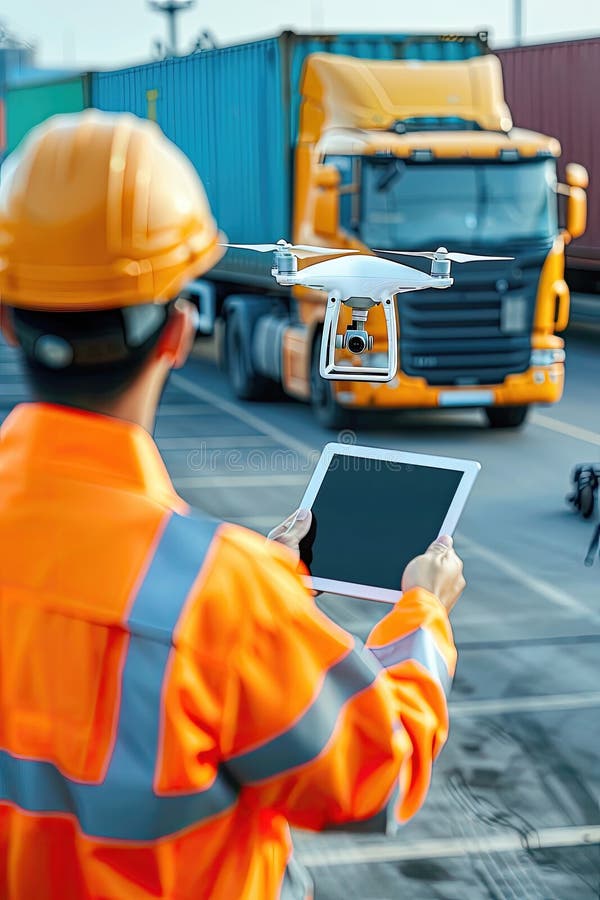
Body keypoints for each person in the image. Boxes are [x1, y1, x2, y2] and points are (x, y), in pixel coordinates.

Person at [0, 111, 465, 900]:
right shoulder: (225, 601)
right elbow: (378, 775)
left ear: (8, 326)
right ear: (179, 335)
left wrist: (265, 581)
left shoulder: (231, 594)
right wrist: (422, 613)